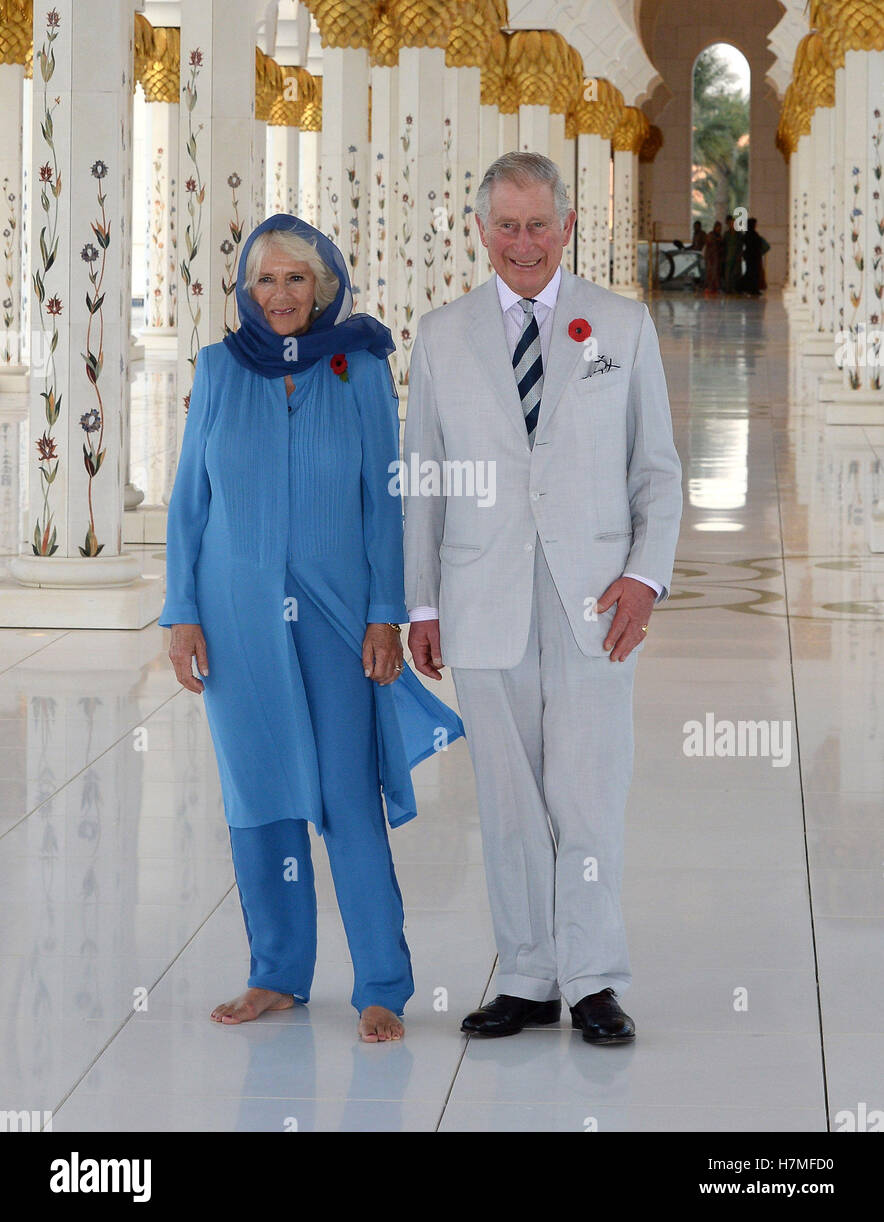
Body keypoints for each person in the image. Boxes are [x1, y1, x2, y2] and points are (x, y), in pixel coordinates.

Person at [158, 213, 464, 1042]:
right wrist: (180, 610)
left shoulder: (358, 367)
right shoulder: (220, 370)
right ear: (246, 291)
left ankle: (381, 984)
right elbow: (191, 502)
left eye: (298, 279)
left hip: (336, 618)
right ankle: (277, 974)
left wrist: (384, 614)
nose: (282, 294)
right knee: (257, 796)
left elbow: (384, 499)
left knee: (345, 798)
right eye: (267, 280)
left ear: (322, 286)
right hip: (235, 619)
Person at [403, 153, 682, 1044]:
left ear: (567, 227)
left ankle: (594, 977)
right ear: (481, 230)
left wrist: (646, 575)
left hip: (592, 599)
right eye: (507, 225)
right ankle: (527, 974)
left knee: (588, 793)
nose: (523, 243)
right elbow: (424, 482)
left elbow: (658, 470)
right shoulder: (442, 336)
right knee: (510, 798)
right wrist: (421, 604)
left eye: (538, 224)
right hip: (480, 597)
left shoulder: (621, 325)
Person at [741, 217, 770, 296]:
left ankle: (751, 289)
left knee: (751, 272)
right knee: (753, 273)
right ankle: (752, 289)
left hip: (751, 257)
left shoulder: (748, 234)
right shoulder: (753, 234)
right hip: (754, 257)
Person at [722, 213, 743, 294]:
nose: (732, 225)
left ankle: (735, 288)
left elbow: (740, 246)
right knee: (727, 273)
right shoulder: (726, 234)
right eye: (730, 223)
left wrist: (740, 255)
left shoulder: (739, 234)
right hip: (728, 257)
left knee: (736, 273)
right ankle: (728, 288)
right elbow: (723, 245)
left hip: (736, 256)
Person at [703, 219, 723, 295]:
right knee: (710, 273)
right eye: (718, 227)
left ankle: (715, 288)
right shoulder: (710, 235)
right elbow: (708, 246)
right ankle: (709, 288)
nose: (719, 229)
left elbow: (721, 247)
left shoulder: (720, 236)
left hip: (717, 258)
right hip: (710, 258)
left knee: (716, 273)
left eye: (720, 228)